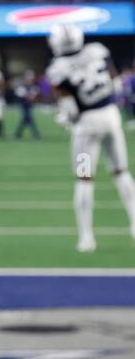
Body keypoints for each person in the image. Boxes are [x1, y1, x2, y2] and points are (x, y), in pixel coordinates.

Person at [46, 27, 135, 253]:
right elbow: (114, 81)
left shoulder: (58, 69)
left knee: (84, 179)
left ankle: (87, 237)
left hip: (87, 126)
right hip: (111, 117)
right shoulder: (97, 50)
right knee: (121, 172)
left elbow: (70, 110)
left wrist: (65, 118)